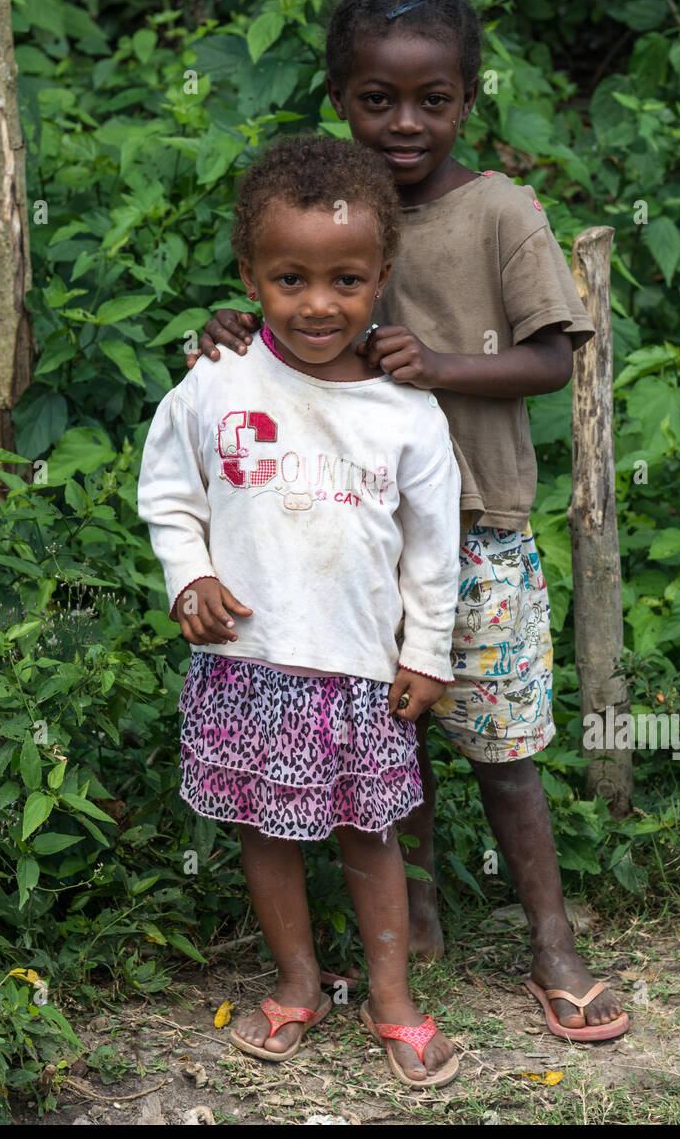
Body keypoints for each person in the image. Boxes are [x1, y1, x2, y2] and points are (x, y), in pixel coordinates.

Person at [192, 0, 629, 1040]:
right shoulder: (335, 216)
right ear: (340, 97)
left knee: (505, 751)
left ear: (466, 99)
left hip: (479, 538)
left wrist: (432, 363)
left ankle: (551, 940)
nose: (404, 122)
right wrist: (230, 333)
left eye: (432, 99)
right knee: (393, 746)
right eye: (377, 99)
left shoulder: (499, 213)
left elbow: (547, 360)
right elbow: (291, 306)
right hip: (353, 544)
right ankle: (416, 922)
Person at [138, 134, 463, 1086]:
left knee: (371, 835)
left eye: (346, 280)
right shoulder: (218, 381)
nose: (318, 304)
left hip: (361, 671)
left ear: (382, 276)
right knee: (265, 835)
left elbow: (434, 549)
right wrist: (188, 577)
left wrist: (429, 650)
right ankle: (297, 985)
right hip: (249, 659)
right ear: (249, 274)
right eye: (289, 279)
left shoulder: (406, 412)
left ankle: (394, 1000)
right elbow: (170, 493)